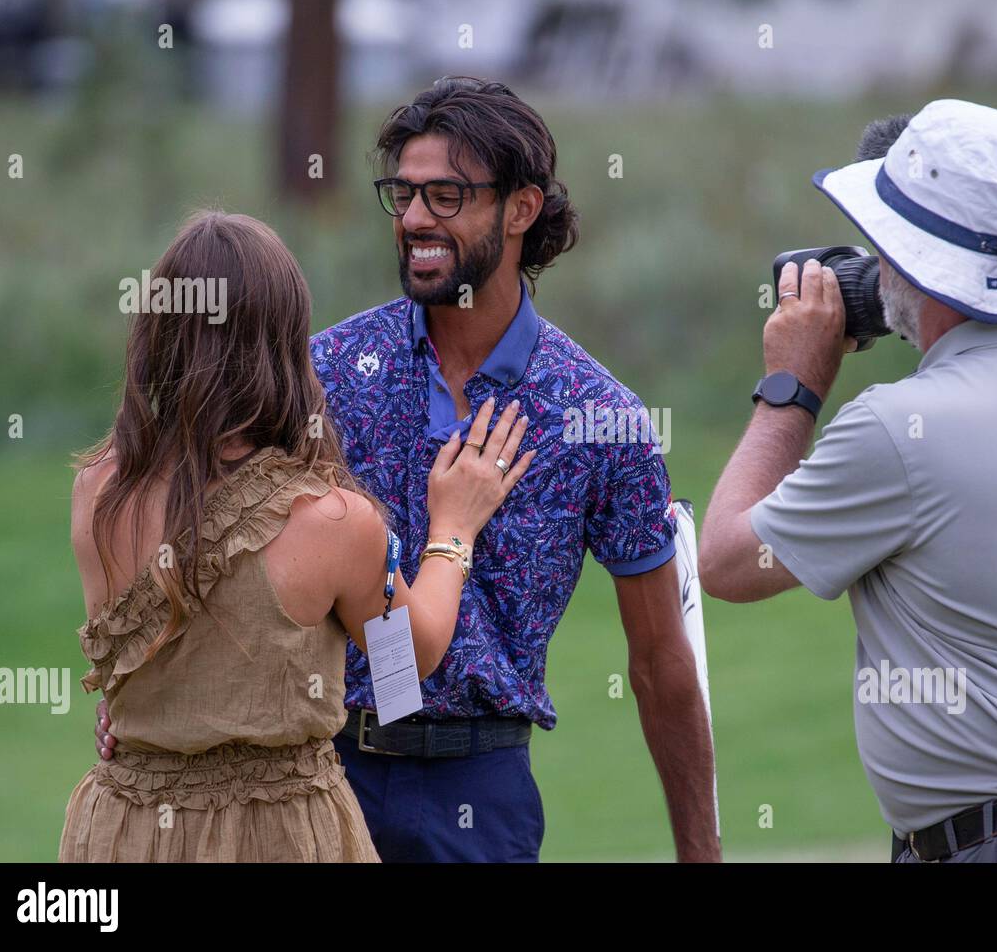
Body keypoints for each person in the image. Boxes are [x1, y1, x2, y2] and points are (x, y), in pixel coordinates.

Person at [97, 78, 721, 863]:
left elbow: (663, 664)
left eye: (447, 195)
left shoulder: (601, 418)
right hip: (313, 781)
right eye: (404, 194)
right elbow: (214, 542)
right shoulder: (321, 374)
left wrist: (701, 852)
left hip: (479, 792)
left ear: (521, 209)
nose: (416, 218)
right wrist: (146, 694)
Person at [698, 99, 997, 863]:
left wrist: (792, 386)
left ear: (916, 259)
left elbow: (727, 561)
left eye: (883, 246)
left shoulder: (898, 429)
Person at [62, 210, 532, 862]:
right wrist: (453, 528)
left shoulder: (97, 492)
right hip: (274, 834)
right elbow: (404, 671)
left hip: (124, 828)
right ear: (284, 341)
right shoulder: (334, 523)